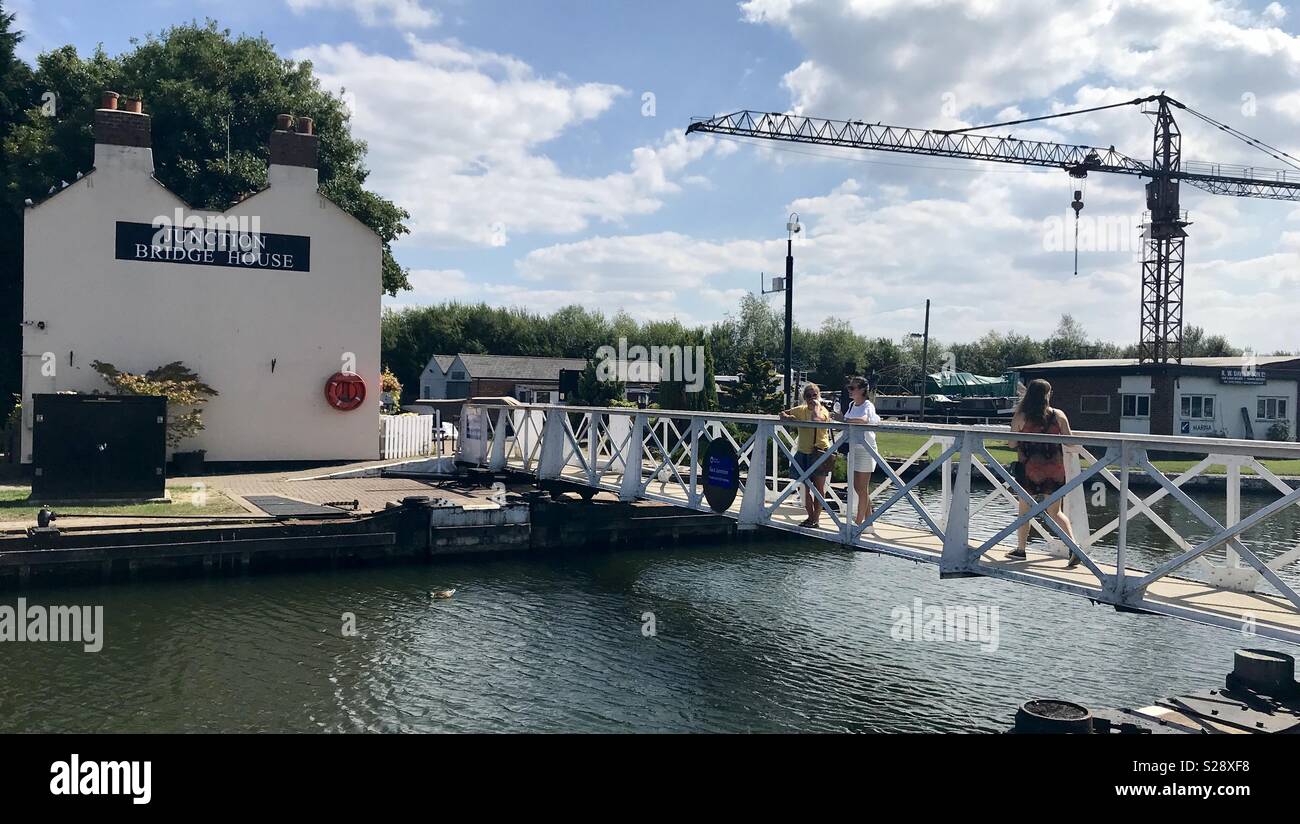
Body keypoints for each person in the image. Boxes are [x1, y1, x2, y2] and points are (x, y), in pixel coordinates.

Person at [1006, 378, 1077, 566]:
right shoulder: (1058, 415)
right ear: (1047, 394)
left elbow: (1012, 443)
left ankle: (1021, 550)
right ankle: (1074, 547)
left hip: (1029, 470)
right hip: (1054, 470)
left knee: (1024, 512)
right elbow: (1070, 441)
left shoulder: (1021, 416)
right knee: (1056, 512)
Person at [779, 383, 833, 527]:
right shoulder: (800, 410)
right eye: (808, 395)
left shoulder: (823, 411)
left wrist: (816, 405)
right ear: (804, 397)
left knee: (819, 488)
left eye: (814, 395)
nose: (811, 398)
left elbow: (816, 419)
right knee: (802, 487)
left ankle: (816, 518)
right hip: (802, 452)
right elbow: (782, 413)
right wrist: (787, 417)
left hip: (819, 452)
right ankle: (810, 517)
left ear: (818, 395)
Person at [834, 376, 881, 528]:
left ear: (862, 390)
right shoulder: (852, 405)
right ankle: (869, 522)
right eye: (849, 388)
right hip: (853, 449)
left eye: (852, 388)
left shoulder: (867, 404)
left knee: (861, 488)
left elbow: (864, 420)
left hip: (866, 449)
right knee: (857, 487)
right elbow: (847, 421)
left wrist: (844, 420)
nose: (850, 390)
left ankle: (859, 522)